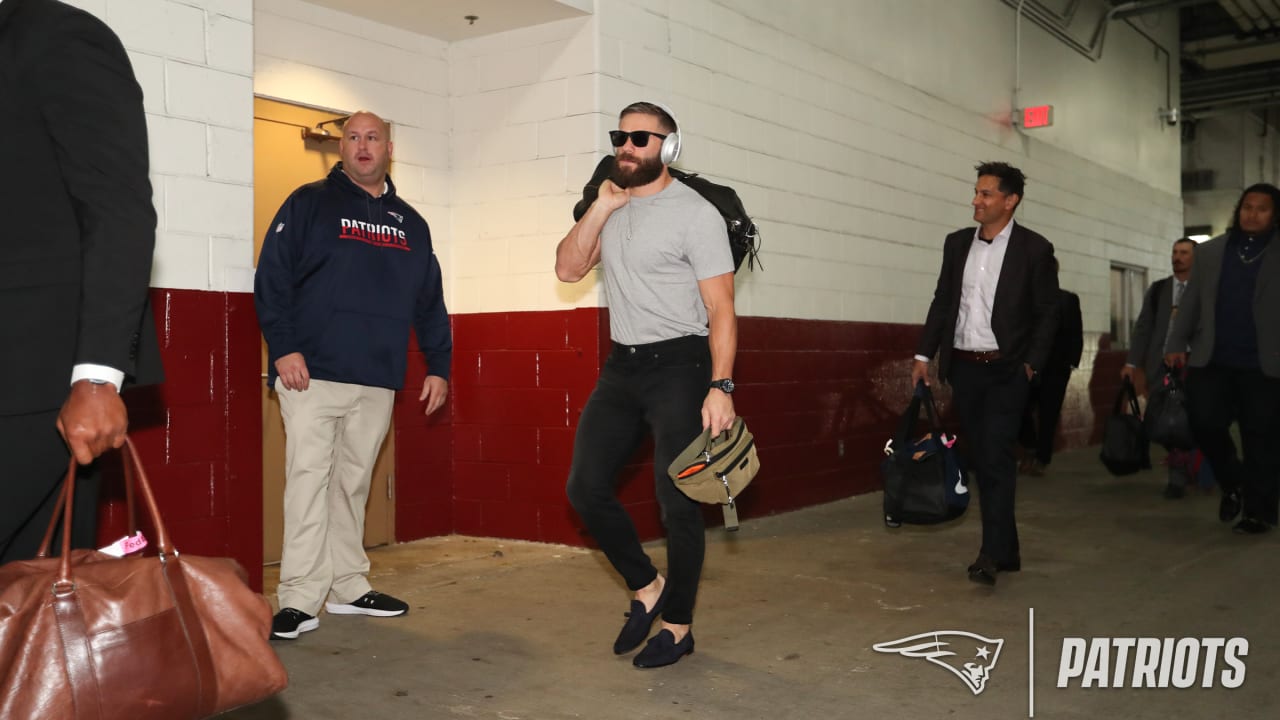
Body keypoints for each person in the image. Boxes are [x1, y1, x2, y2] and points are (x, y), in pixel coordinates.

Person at [255, 110, 452, 639]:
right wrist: (284, 348)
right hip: (311, 373)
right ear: (341, 147)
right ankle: (298, 597)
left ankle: (347, 585)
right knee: (308, 482)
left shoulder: (411, 223)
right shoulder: (308, 203)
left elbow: (429, 301)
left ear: (390, 148)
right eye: (353, 137)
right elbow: (272, 277)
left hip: (377, 377)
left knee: (352, 483)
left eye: (373, 138)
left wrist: (439, 365)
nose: (363, 146)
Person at [555, 102, 736, 668]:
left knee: (676, 500)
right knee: (584, 488)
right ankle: (646, 586)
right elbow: (566, 269)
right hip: (622, 367)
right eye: (621, 136)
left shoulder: (696, 214)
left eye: (641, 137)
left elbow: (722, 309)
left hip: (681, 367)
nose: (628, 146)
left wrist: (721, 385)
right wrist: (600, 210)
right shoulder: (608, 201)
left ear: (669, 147)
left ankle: (678, 625)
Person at [0, 0, 161, 563]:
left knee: (45, 593)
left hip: (34, 388)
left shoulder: (55, 36)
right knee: (29, 601)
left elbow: (118, 208)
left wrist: (97, 380)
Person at [911, 161, 1059, 587]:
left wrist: (1031, 362)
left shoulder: (1035, 249)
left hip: (1007, 370)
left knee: (993, 457)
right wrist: (924, 355)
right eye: (976, 192)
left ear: (1010, 201)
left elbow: (1049, 312)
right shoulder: (957, 244)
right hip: (965, 368)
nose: (976, 200)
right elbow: (943, 301)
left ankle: (990, 554)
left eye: (986, 194)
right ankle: (1007, 549)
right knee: (985, 459)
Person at [1165, 184, 1280, 534]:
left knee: (1260, 437)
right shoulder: (1212, 252)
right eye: (1247, 206)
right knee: (1204, 422)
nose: (1253, 213)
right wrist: (1175, 341)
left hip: (1265, 364)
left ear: (1274, 215)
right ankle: (1234, 482)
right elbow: (1192, 302)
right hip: (1212, 358)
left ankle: (1258, 512)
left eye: (1262, 208)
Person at [1122, 238, 1199, 498]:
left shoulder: (1204, 290)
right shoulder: (1158, 291)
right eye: (1175, 252)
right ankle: (1179, 470)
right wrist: (1132, 363)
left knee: (1195, 420)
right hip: (1161, 369)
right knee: (1166, 422)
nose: (1178, 257)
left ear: (1195, 258)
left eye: (1184, 253)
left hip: (1194, 367)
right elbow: (1143, 328)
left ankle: (1188, 472)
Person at [1018, 258, 1083, 477]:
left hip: (1056, 368)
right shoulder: (1025, 300)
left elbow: (1076, 333)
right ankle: (1029, 447)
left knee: (1049, 415)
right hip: (1028, 366)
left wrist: (1071, 363)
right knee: (1019, 409)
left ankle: (1041, 459)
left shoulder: (1068, 300)